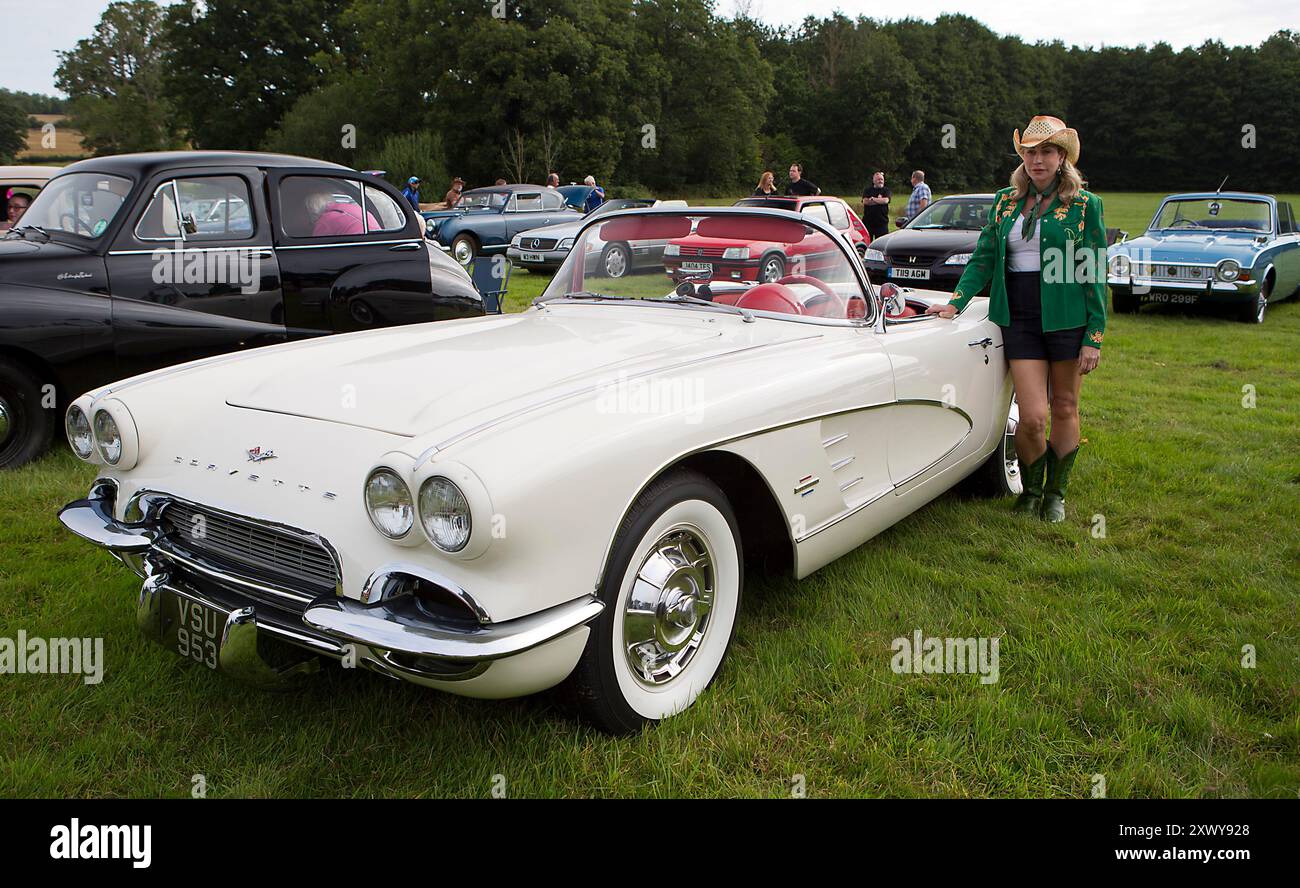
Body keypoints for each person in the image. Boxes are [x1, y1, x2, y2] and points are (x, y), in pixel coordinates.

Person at [925, 116, 1106, 523]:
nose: (1037, 160)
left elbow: (1094, 270)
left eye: (1046, 152)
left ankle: (1055, 496)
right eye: (1030, 152)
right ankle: (1031, 490)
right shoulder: (1005, 200)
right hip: (1019, 315)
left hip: (1068, 316)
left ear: (1062, 157)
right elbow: (985, 255)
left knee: (1065, 406)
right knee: (1032, 415)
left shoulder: (1084, 205)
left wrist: (1094, 335)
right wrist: (955, 303)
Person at [307, 187, 379, 236]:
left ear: (312, 210)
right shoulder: (348, 207)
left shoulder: (324, 221)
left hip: (359, 245)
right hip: (375, 239)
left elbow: (317, 248)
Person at [860, 171, 891, 240]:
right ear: (874, 181)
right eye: (878, 179)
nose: (880, 181)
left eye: (882, 179)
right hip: (868, 223)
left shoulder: (886, 190)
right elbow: (865, 201)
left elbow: (885, 201)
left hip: (882, 223)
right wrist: (879, 201)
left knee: (881, 243)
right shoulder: (867, 190)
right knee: (867, 242)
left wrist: (873, 199)